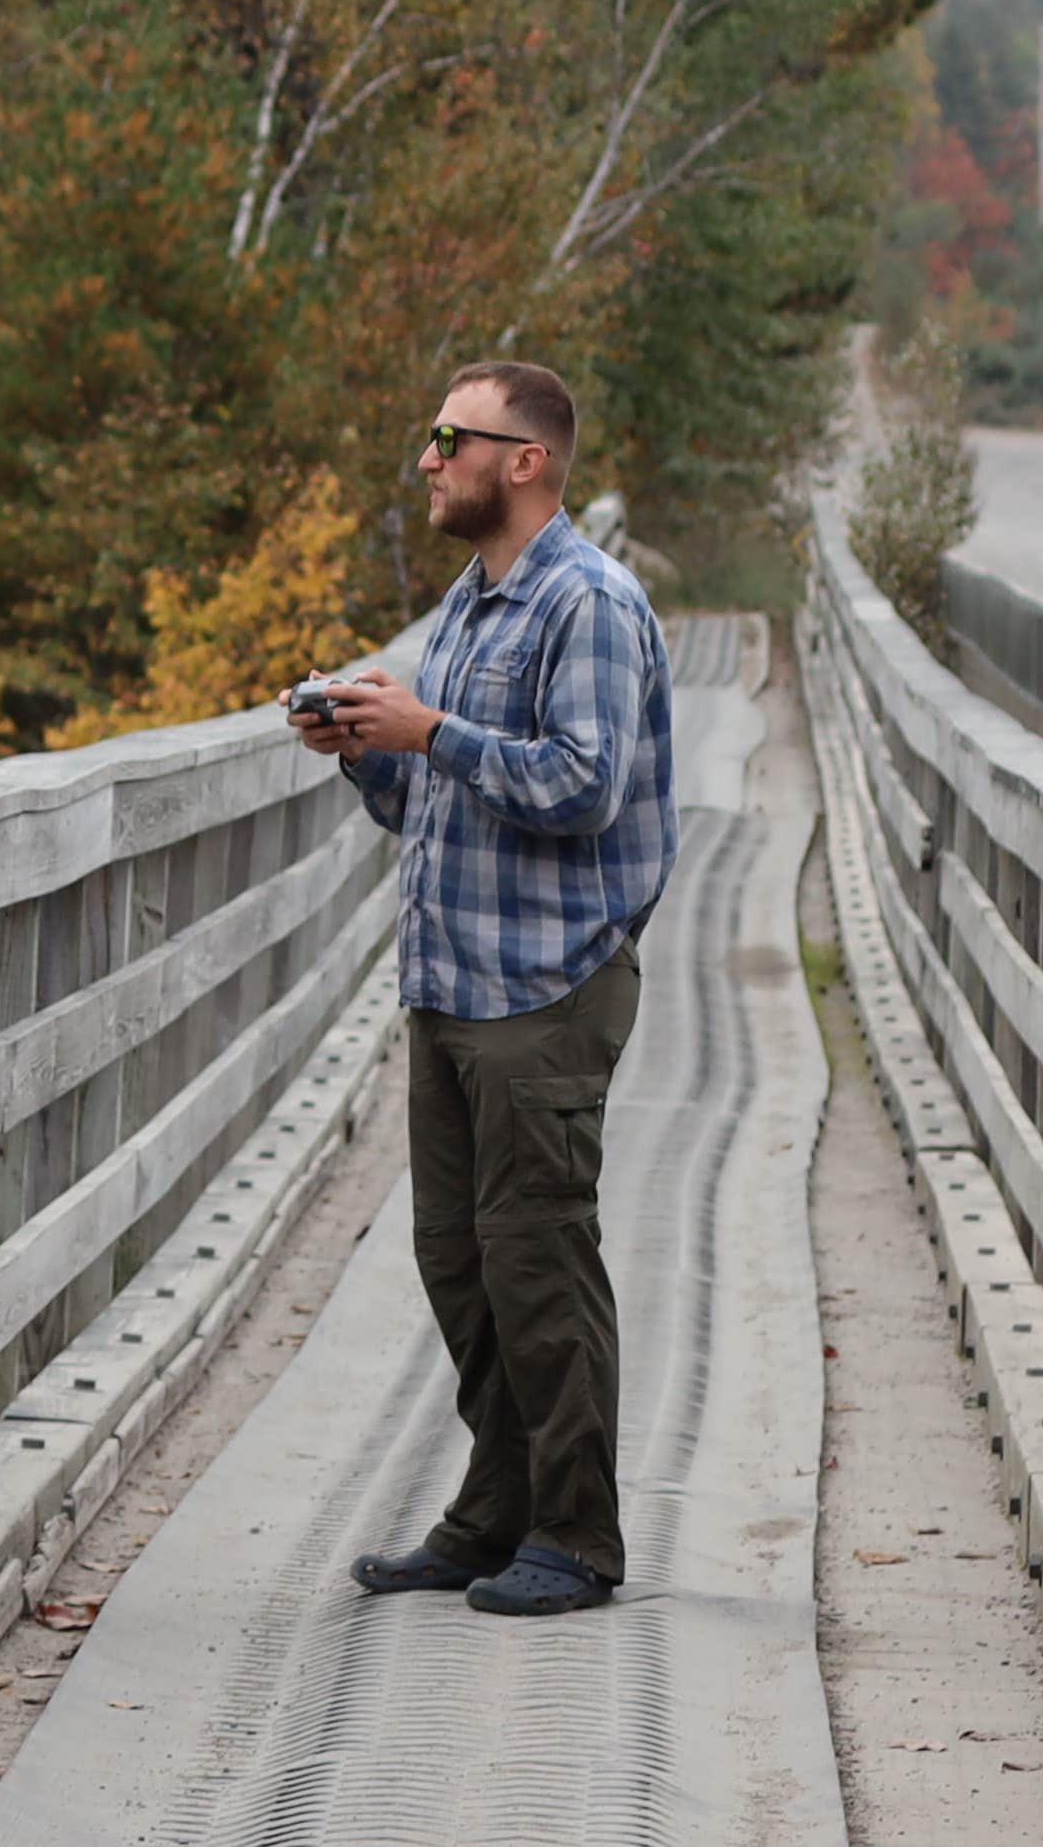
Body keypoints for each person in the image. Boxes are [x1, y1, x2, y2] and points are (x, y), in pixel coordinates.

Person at [292, 359, 674, 1617]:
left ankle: (576, 1535)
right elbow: (433, 800)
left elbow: (583, 786)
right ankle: (494, 1512)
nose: (427, 459)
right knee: (457, 1258)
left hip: (546, 989)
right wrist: (365, 748)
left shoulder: (591, 605)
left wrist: (434, 732)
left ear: (524, 460)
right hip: (450, 982)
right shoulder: (469, 605)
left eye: (450, 438)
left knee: (539, 1263)